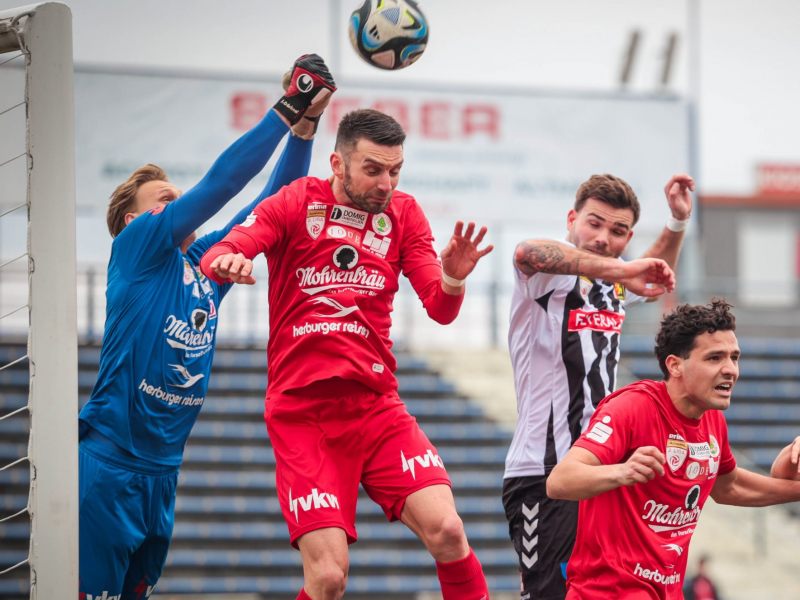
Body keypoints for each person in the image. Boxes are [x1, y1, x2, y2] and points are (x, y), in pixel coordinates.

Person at [199, 108, 494, 600]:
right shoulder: (294, 202)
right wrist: (229, 259)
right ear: (338, 164)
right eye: (373, 169)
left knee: (448, 530)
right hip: (303, 417)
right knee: (329, 579)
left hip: (375, 408)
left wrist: (453, 277)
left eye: (395, 171)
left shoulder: (405, 214)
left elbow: (441, 308)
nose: (386, 184)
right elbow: (221, 251)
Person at [77, 54, 337, 599]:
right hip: (109, 466)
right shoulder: (136, 249)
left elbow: (273, 204)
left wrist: (307, 126)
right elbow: (222, 184)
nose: (182, 205)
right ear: (135, 220)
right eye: (166, 200)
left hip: (163, 472)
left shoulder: (202, 266)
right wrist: (289, 104)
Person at [502, 172, 693, 599]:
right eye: (594, 223)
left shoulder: (612, 285)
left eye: (618, 231)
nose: (603, 238)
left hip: (600, 471)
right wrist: (623, 269)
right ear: (571, 219)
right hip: (542, 473)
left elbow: (652, 277)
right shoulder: (546, 276)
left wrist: (677, 223)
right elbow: (526, 252)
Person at [547, 299, 800, 599]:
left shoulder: (712, 420)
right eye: (714, 358)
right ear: (675, 365)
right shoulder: (632, 407)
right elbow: (559, 481)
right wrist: (622, 471)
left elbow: (728, 487)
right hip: (608, 593)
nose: (730, 369)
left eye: (734, 357)